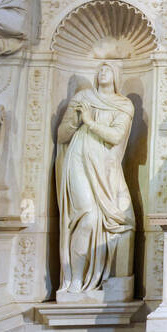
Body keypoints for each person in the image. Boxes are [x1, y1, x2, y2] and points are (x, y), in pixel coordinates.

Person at [56, 62, 135, 297]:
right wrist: (75, 119)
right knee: (88, 216)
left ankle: (96, 279)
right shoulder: (83, 97)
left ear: (116, 76)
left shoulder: (124, 104)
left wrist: (90, 121)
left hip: (105, 165)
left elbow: (116, 135)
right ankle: (75, 278)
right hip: (78, 157)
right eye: (100, 68)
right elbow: (61, 135)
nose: (103, 72)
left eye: (108, 69)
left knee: (115, 219)